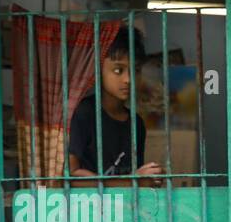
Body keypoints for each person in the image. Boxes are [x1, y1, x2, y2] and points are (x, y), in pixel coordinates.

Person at [67, 26, 164, 184]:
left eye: (136, 70)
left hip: (122, 207)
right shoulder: (84, 113)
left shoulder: (136, 123)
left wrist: (150, 177)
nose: (128, 79)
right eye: (118, 70)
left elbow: (135, 177)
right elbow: (71, 177)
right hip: (87, 206)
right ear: (97, 71)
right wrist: (132, 181)